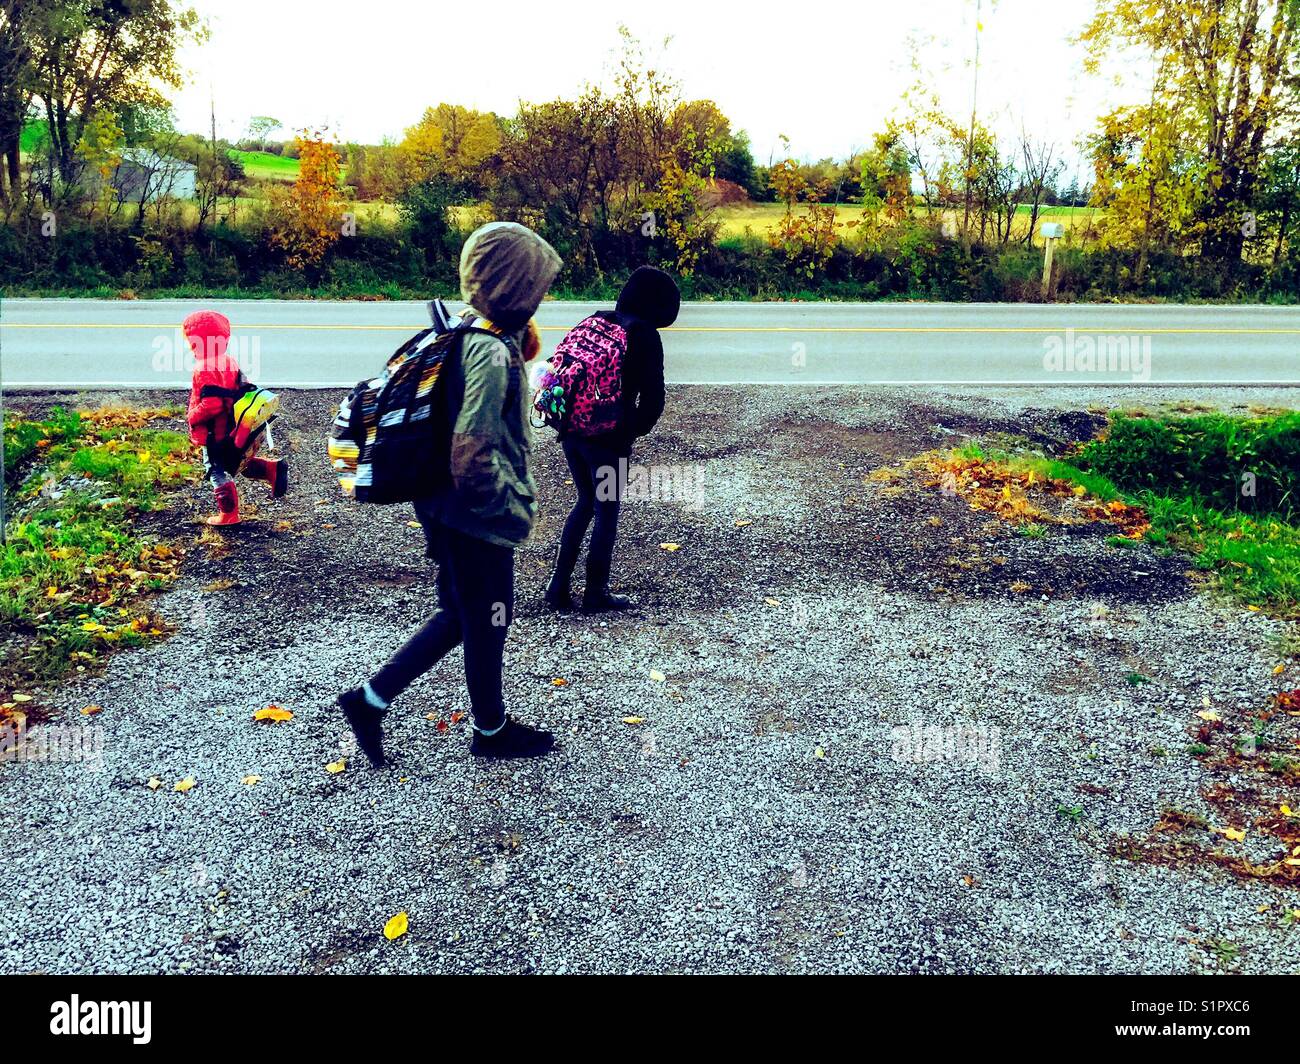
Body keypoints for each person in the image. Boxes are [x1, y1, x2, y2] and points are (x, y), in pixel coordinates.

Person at [339, 222, 563, 765]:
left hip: (442, 504)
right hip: (469, 513)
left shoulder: (470, 327)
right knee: (486, 613)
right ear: (515, 286)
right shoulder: (487, 352)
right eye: (537, 284)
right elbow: (472, 450)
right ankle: (483, 728)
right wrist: (507, 510)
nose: (544, 295)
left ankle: (377, 701)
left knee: (468, 612)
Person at [544, 266, 680, 612]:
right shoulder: (644, 334)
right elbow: (653, 401)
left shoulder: (597, 319)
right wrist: (625, 431)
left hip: (571, 429)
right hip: (606, 438)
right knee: (607, 511)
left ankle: (558, 587)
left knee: (584, 503)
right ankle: (596, 593)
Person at [184, 310, 287, 526]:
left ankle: (229, 515)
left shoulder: (203, 368)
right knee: (237, 461)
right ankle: (272, 470)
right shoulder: (227, 360)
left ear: (198, 340)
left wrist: (192, 417)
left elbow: (212, 404)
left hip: (216, 431)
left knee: (216, 469)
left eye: (190, 339)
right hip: (235, 425)